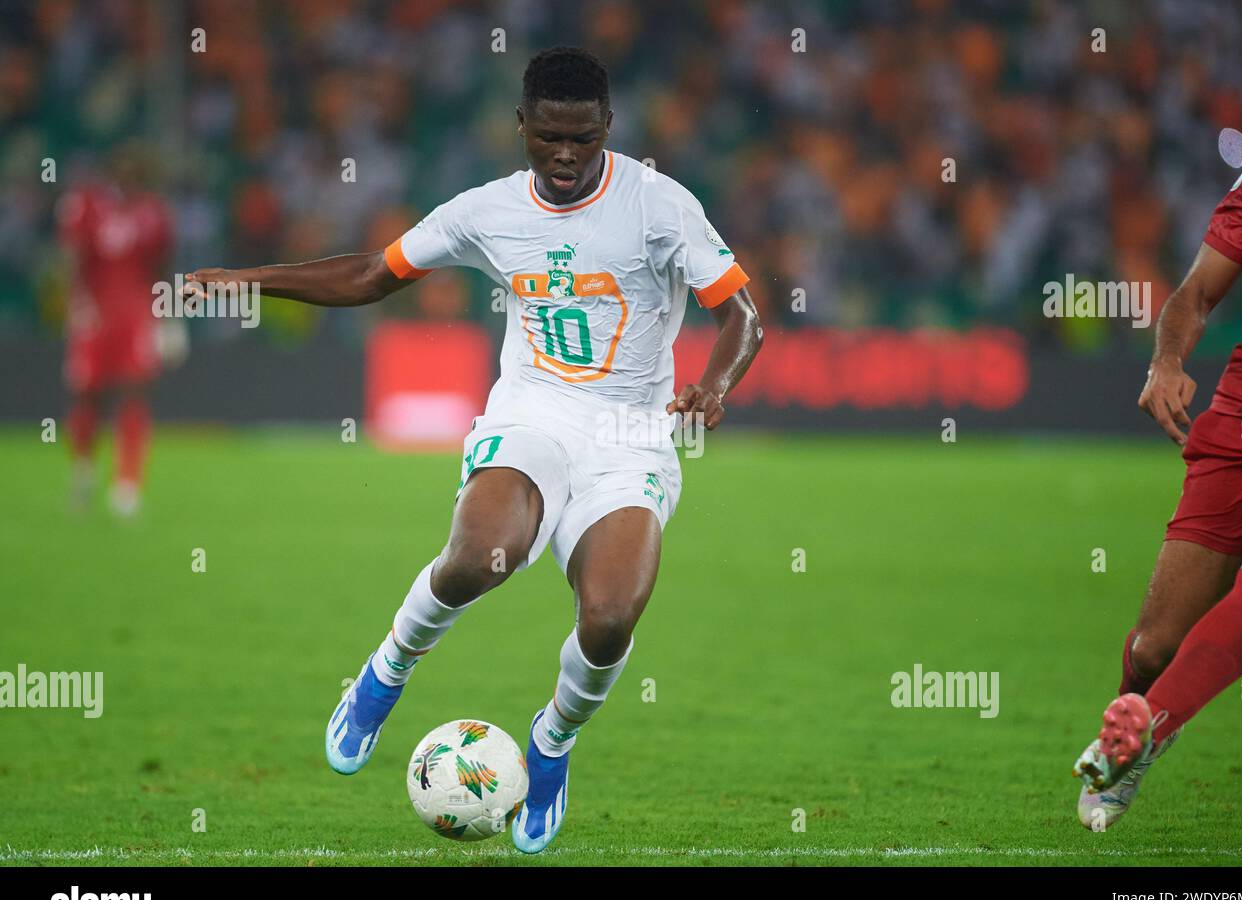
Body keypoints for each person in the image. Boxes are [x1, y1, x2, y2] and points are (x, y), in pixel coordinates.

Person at [187, 47, 762, 853]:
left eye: (584, 140)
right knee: (478, 555)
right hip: (533, 411)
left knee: (608, 617)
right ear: (522, 125)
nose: (565, 156)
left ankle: (552, 746)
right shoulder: (485, 211)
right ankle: (384, 673)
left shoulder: (660, 206)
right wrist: (250, 279)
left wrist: (716, 385)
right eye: (548, 138)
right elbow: (369, 275)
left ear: (608, 128)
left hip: (631, 434)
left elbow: (742, 315)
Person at [1072, 56, 1242, 829]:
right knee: (1155, 647)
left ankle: (1130, 746)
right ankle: (1137, 719)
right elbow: (1198, 292)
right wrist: (1167, 359)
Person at [60, 144, 173, 516]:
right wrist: (76, 302)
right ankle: (84, 470)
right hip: (96, 311)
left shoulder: (155, 212)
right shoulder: (87, 205)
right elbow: (72, 257)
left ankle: (127, 485)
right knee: (89, 394)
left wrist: (169, 315)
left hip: (137, 311)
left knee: (135, 391)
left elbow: (161, 265)